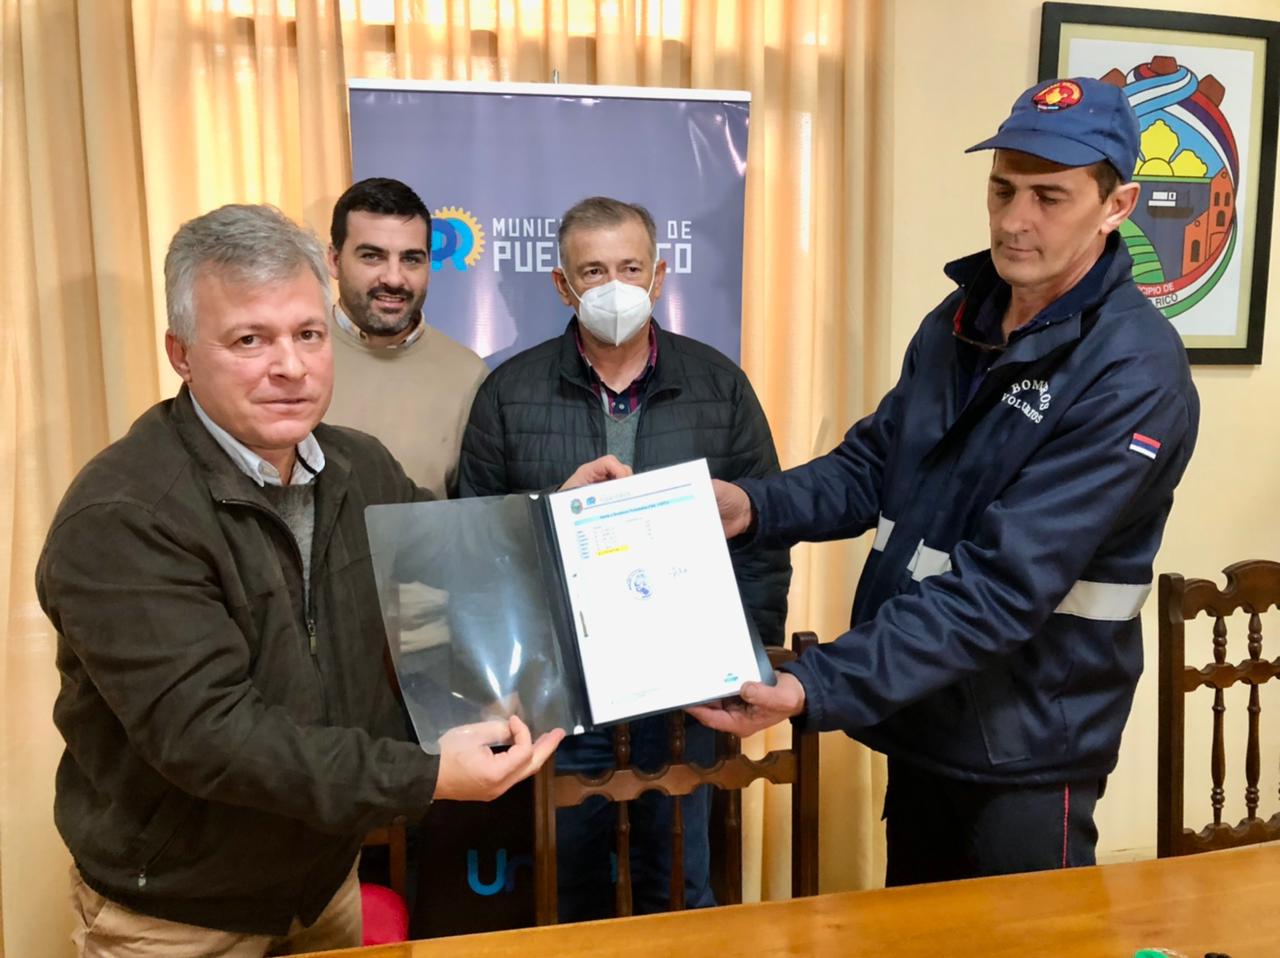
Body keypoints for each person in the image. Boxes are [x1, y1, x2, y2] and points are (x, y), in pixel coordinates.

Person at [36, 204, 592, 956]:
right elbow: (211, 737)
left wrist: (565, 523)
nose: (291, 366)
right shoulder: (124, 514)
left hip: (323, 884)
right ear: (181, 353)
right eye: (248, 340)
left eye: (307, 334)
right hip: (179, 914)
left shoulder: (362, 468)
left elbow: (453, 574)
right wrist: (425, 775)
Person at [691, 77, 1200, 885]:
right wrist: (750, 505)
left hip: (1029, 750)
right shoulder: (960, 319)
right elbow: (874, 465)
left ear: (1118, 206)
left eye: (1048, 197)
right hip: (923, 712)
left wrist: (813, 684)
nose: (1011, 220)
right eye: (1001, 189)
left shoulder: (1133, 372)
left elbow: (1002, 587)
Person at [458, 195, 792, 920]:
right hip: (564, 697)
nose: (614, 285)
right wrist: (554, 508)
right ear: (562, 284)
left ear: (660, 276)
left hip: (687, 689)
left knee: (678, 885)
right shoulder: (509, 394)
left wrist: (747, 655)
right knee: (564, 887)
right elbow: (475, 539)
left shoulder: (720, 386)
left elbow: (763, 532)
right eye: (594, 269)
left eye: (631, 267)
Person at [325, 177, 488, 500]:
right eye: (372, 256)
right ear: (334, 260)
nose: (394, 278)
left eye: (411, 259)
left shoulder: (469, 374)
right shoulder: (290, 358)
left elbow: (474, 515)